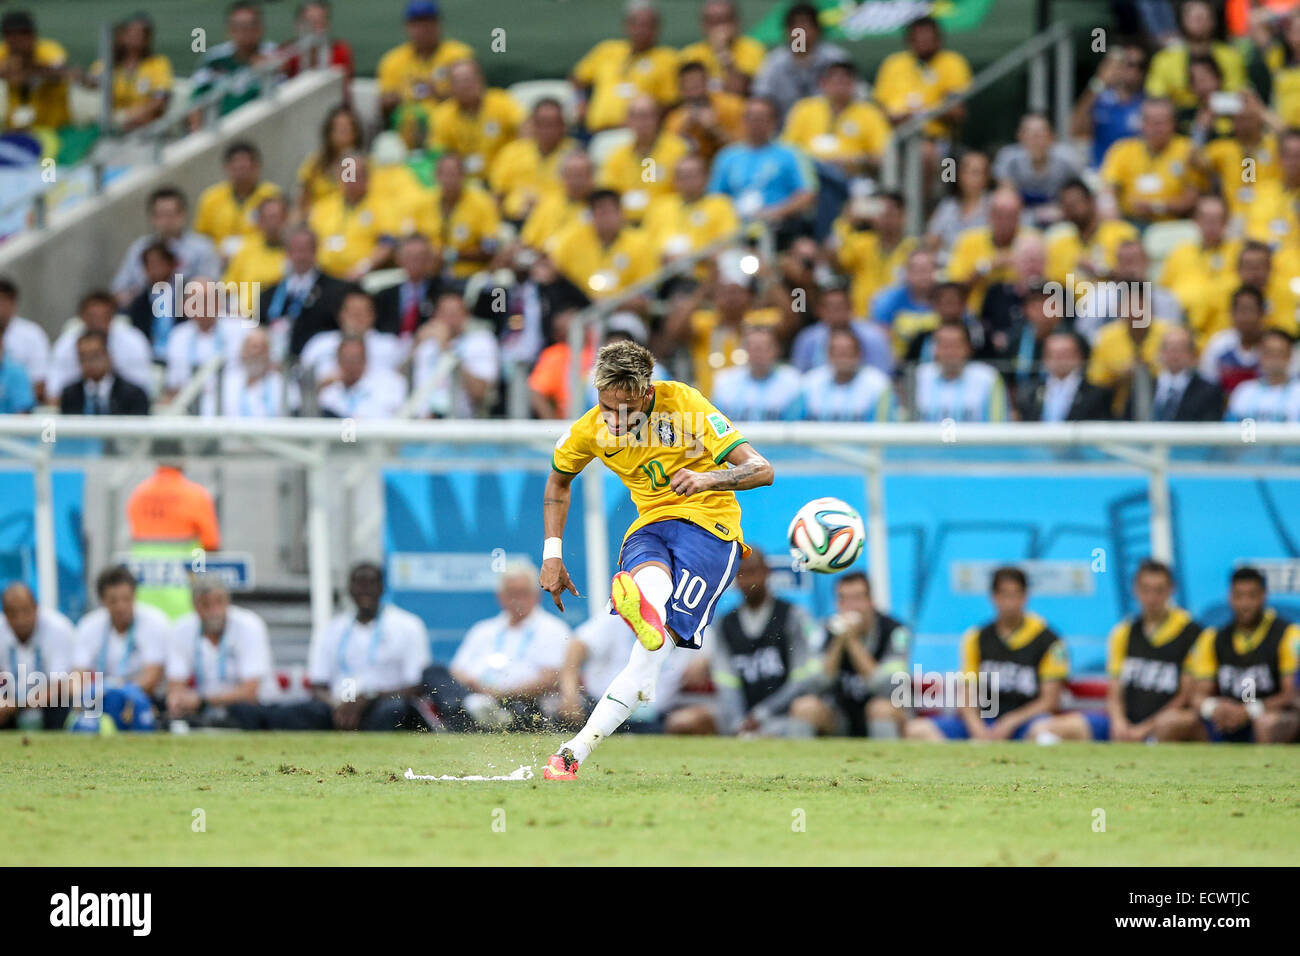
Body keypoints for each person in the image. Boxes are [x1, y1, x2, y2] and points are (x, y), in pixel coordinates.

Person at [539, 339, 774, 778]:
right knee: (651, 621)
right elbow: (557, 484)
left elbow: (762, 469)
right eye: (607, 407)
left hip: (710, 529)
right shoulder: (589, 429)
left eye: (626, 408)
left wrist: (708, 478)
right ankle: (646, 611)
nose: (617, 419)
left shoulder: (683, 402)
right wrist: (552, 554)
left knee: (650, 656)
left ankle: (574, 752)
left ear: (647, 393)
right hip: (648, 526)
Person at [1034, 560, 1202, 743]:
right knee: (1043, 729)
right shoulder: (1123, 632)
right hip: (1124, 723)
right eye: (1146, 589)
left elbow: (1185, 696)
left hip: (1163, 725)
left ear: (1171, 589)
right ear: (1135, 590)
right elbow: (1114, 692)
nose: (1152, 597)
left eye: (1159, 590)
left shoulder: (1191, 633)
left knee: (1171, 724)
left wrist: (1144, 729)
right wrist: (1119, 723)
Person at [906, 567, 1068, 741]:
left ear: (1025, 596)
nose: (1010, 602)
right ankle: (956, 765)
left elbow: (1050, 701)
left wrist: (1011, 721)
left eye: (1016, 594)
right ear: (994, 597)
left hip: (1026, 722)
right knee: (917, 729)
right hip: (986, 720)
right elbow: (967, 697)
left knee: (1044, 732)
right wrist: (978, 730)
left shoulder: (1049, 640)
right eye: (1004, 594)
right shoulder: (976, 638)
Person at [674, 548, 824, 737]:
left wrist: (761, 714)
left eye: (753, 572)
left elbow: (800, 680)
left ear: (767, 572)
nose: (747, 580)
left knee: (805, 712)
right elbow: (727, 682)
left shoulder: (792, 616)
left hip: (782, 714)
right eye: (741, 573)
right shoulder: (724, 624)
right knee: (682, 722)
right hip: (740, 715)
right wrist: (739, 722)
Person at [271, 562, 431, 731]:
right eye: (359, 584)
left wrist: (369, 697)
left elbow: (416, 687)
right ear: (349, 589)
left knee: (394, 710)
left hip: (383, 702)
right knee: (293, 713)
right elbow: (318, 685)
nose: (365, 590)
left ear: (382, 587)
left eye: (371, 584)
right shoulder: (332, 628)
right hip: (338, 703)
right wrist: (340, 705)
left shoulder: (407, 625)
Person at [444, 560, 571, 730]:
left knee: (524, 707)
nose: (518, 600)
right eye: (512, 593)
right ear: (500, 597)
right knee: (434, 674)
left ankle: (492, 716)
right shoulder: (483, 629)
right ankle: (474, 712)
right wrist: (476, 685)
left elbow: (552, 678)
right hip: (477, 692)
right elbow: (457, 670)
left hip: (523, 701)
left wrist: (503, 694)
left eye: (523, 593)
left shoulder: (553, 630)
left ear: (536, 595)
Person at [1182, 567, 1299, 743]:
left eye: (1252, 596)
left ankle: (1268, 768)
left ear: (1264, 595)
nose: (1245, 604)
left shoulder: (1287, 634)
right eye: (1239, 596)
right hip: (1224, 719)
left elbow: (1291, 694)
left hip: (1268, 716)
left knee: (1266, 723)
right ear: (1230, 597)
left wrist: (1250, 710)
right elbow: (1198, 695)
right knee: (1172, 722)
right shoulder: (1212, 638)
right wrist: (1214, 708)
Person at [802, 571, 911, 738]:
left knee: (879, 709)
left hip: (886, 715)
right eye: (843, 599)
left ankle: (890, 762)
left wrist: (853, 643)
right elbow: (814, 685)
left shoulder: (895, 631)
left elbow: (886, 687)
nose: (850, 606)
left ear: (870, 601)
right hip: (840, 717)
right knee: (805, 707)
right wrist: (838, 643)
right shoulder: (825, 631)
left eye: (857, 598)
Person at [165, 576, 272, 730]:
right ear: (195, 607)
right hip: (202, 713)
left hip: (251, 712)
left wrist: (203, 701)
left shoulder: (250, 626)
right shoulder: (181, 629)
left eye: (219, 602)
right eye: (205, 604)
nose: (213, 611)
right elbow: (176, 684)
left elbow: (251, 692)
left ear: (228, 602)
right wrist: (177, 700)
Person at [125, 450, 221, 620]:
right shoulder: (196, 496)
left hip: (144, 590)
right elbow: (211, 546)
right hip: (184, 594)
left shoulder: (139, 494)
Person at [71, 565, 171, 729]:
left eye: (126, 599)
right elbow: (77, 677)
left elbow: (152, 678)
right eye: (113, 601)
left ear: (135, 596)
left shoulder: (155, 622)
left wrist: (116, 691)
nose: (121, 607)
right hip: (100, 699)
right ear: (103, 601)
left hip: (143, 698)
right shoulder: (88, 625)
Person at [707, 96, 816, 233]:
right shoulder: (727, 156)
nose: (756, 124)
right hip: (736, 227)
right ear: (743, 121)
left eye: (761, 119)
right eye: (751, 118)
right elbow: (714, 198)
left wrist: (776, 212)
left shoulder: (791, 153)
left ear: (774, 122)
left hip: (781, 226)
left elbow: (807, 194)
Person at [570, 0, 678, 133]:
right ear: (626, 25)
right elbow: (577, 78)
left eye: (646, 25)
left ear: (657, 28)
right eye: (635, 24)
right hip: (595, 132)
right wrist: (580, 102)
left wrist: (642, 122)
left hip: (638, 134)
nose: (640, 30)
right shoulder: (607, 50)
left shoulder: (667, 59)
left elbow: (669, 102)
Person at [111, 187, 221, 307]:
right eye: (161, 215)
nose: (167, 221)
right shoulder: (139, 248)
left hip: (188, 312)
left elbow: (212, 285)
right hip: (147, 311)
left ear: (183, 215)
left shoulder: (202, 247)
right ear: (152, 218)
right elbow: (118, 290)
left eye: (171, 214)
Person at [376, 0, 475, 124]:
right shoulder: (392, 60)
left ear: (438, 24)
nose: (423, 30)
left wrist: (437, 93)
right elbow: (383, 105)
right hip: (406, 129)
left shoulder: (458, 55)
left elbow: (473, 98)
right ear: (407, 26)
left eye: (428, 23)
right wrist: (404, 94)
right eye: (417, 24)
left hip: (450, 128)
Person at [259, 226, 348, 360]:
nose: (300, 256)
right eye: (295, 250)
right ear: (287, 253)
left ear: (315, 251)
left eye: (305, 250)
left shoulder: (336, 290)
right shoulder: (270, 294)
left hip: (318, 360)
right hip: (276, 363)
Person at [47, 290, 153, 400]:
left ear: (113, 316)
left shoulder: (134, 341)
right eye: (92, 316)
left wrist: (106, 378)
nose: (98, 322)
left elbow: (143, 387)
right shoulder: (65, 344)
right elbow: (54, 392)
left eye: (103, 316)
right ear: (81, 316)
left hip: (124, 405)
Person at [753, 2, 849, 120]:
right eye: (795, 27)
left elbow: (859, 94)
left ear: (817, 30)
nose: (801, 33)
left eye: (805, 26)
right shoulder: (774, 62)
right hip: (783, 131)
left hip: (829, 129)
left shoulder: (836, 59)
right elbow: (760, 97)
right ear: (787, 31)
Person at [187, 1, 279, 124]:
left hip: (263, 125)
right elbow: (196, 103)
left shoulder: (275, 56)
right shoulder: (213, 59)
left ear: (261, 28)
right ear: (229, 30)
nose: (245, 32)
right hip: (219, 129)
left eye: (250, 26)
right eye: (238, 26)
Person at [0, 582, 76, 730]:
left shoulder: (59, 629)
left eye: (25, 611)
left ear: (36, 608)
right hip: (10, 701)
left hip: (48, 702)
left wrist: (17, 705)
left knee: (62, 699)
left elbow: (59, 685)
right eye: (13, 613)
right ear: (5, 614)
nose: (20, 619)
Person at [193, 141, 282, 260]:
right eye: (237, 168)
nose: (241, 173)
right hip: (219, 261)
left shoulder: (271, 195)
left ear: (256, 167)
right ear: (227, 168)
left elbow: (278, 232)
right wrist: (216, 253)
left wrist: (246, 249)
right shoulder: (211, 198)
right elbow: (202, 238)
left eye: (245, 167)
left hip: (260, 258)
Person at [912, 323, 1007, 422]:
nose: (949, 352)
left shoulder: (988, 378)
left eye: (955, 346)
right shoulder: (917, 377)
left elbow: (999, 425)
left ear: (968, 348)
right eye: (944, 346)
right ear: (934, 350)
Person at [1014, 331, 1112, 422]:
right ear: (1044, 357)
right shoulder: (1029, 392)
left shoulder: (1096, 394)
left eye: (1065, 354)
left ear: (1080, 356)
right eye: (1053, 354)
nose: (1059, 359)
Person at [710, 325, 803, 421]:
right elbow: (716, 422)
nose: (758, 353)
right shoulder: (725, 381)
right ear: (745, 350)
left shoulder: (792, 382)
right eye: (753, 347)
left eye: (764, 347)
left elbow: (797, 425)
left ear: (777, 349)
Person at [801, 328, 895, 422]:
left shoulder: (878, 385)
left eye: (848, 352)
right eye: (837, 352)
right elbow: (792, 424)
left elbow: (883, 427)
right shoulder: (810, 383)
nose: (843, 357)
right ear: (828, 354)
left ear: (859, 354)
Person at [59, 330, 151, 416]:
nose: (90, 362)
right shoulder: (69, 394)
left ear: (108, 355)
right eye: (84, 357)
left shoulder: (134, 395)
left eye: (95, 356)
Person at [316, 336, 408, 419]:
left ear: (365, 359)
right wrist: (319, 388)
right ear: (338, 360)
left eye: (355, 359)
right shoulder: (327, 387)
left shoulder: (389, 383)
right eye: (346, 359)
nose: (351, 365)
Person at [1144, 326, 1224, 422]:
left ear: (1193, 355)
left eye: (1180, 348)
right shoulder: (1145, 387)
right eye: (1168, 348)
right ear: (1160, 353)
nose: (1173, 353)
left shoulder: (1209, 391)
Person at [1225, 329, 1300, 422]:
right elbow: (1230, 430)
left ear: (1290, 356)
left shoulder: (1298, 392)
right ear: (1261, 355)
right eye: (1269, 353)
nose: (1274, 358)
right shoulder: (1244, 391)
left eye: (1280, 353)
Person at [0, 277, 50, 403]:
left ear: (13, 303)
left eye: (3, 301)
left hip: (22, 407)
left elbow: (40, 381)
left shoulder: (32, 334)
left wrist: (17, 396)